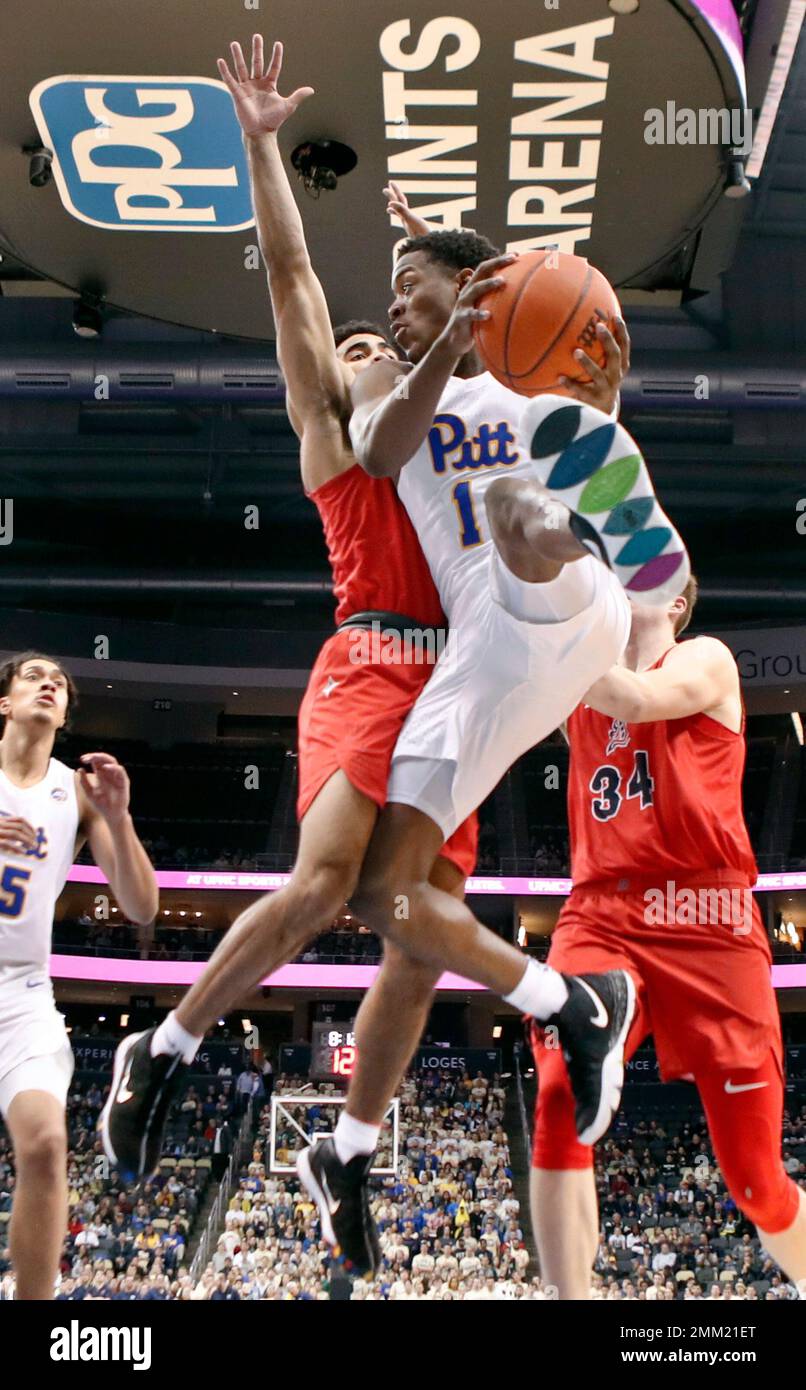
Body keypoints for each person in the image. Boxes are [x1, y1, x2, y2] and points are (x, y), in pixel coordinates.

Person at [101, 36, 634, 1221]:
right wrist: (259, 146)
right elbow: (291, 277)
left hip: (460, 668)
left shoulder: (446, 401)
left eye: (377, 332)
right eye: (351, 346)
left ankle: (346, 1149)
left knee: (413, 931)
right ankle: (165, 1051)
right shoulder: (339, 426)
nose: (366, 341)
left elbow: (479, 304)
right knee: (328, 882)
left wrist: (440, 250)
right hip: (369, 657)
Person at [297, 208, 688, 1263]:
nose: (385, 313)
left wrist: (495, 267)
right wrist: (446, 303)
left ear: (467, 297)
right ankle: (573, 1003)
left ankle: (610, 531)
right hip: (482, 665)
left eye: (407, 285)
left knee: (522, 508)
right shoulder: (393, 389)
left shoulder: (522, 375)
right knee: (390, 898)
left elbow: (556, 316)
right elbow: (375, 441)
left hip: (554, 592)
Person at [529, 581, 806, 1299]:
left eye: (638, 574)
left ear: (678, 602)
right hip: (603, 911)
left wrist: (543, 642)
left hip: (708, 915)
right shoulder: (579, 685)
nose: (615, 581)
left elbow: (634, 700)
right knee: (560, 1097)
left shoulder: (706, 659)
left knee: (755, 1182)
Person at [0, 651, 157, 1299]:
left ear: (63, 715)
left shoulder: (77, 793)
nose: (49, 684)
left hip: (21, 993)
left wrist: (117, 818)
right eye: (33, 676)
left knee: (44, 1144)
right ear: (5, 702)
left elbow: (143, 907)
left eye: (59, 683)